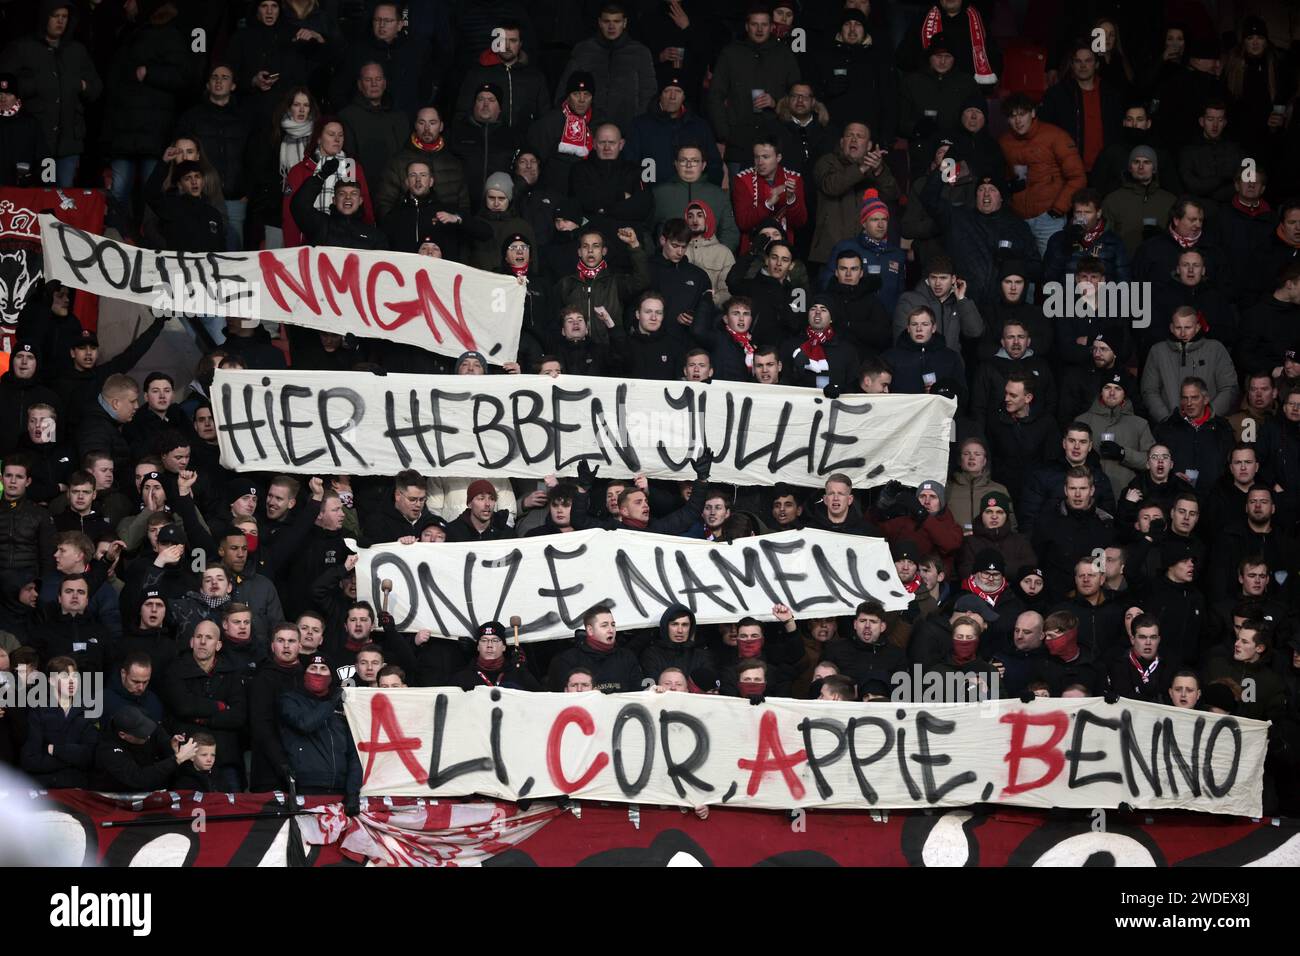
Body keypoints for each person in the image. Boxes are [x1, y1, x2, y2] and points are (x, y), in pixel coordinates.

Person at [0, 3, 101, 187]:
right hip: (35, 140)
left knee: (62, 198)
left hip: (69, 140)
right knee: (38, 197)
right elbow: (6, 84)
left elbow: (96, 89)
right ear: (45, 18)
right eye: (55, 16)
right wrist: (35, 85)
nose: (61, 21)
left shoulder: (77, 50)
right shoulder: (22, 48)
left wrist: (82, 85)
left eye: (64, 16)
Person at [706, 5, 799, 180]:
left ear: (772, 27)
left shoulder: (784, 54)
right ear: (747, 26)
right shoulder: (730, 53)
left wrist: (776, 102)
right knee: (741, 202)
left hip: (775, 139)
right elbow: (715, 95)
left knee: (774, 202)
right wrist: (724, 133)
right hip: (739, 141)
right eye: (755, 24)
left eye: (764, 25)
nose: (759, 29)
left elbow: (798, 96)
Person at [162, 619, 247, 790]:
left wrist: (203, 720)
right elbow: (183, 707)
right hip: (187, 761)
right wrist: (220, 707)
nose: (202, 642)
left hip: (225, 759)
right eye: (198, 637)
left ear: (218, 645)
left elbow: (238, 716)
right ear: (191, 642)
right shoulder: (175, 670)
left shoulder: (232, 673)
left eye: (208, 638)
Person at [809, 121, 899, 269]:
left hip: (866, 251)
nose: (854, 139)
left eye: (860, 136)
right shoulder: (827, 162)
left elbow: (892, 195)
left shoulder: (876, 167)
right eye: (849, 135)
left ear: (869, 146)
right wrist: (862, 168)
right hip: (829, 251)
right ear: (842, 142)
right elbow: (832, 186)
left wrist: (879, 171)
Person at [555, 3, 655, 131]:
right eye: (607, 21)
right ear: (600, 22)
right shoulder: (584, 50)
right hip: (586, 127)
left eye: (616, 21)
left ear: (624, 23)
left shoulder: (640, 52)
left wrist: (638, 124)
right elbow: (565, 89)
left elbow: (648, 92)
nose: (611, 26)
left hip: (628, 127)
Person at [278, 654, 361, 803]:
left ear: (331, 676)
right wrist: (331, 703)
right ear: (304, 674)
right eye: (313, 668)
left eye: (323, 669)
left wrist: (353, 791)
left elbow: (353, 751)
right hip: (308, 786)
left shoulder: (344, 706)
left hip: (340, 788)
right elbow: (305, 724)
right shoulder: (290, 700)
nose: (317, 672)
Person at [1141, 307, 1237, 422]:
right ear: (1171, 328)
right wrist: (1166, 419)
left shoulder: (1215, 349)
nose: (1182, 333)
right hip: (1170, 428)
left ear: (1197, 327)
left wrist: (1209, 415)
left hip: (1209, 427)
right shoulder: (1158, 351)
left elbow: (1229, 387)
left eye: (1187, 328)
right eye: (1178, 328)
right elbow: (1149, 391)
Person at [453, 19, 549, 131]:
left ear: (520, 44)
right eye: (502, 40)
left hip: (525, 144)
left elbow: (545, 118)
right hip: (487, 143)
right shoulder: (477, 74)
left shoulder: (535, 77)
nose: (507, 46)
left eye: (513, 40)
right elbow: (461, 114)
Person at [19, 657, 97, 788]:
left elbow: (91, 757)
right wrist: (72, 758)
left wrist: (55, 750)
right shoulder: (38, 711)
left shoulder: (88, 709)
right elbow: (30, 760)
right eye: (65, 677)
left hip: (79, 787)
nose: (72, 681)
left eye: (75, 676)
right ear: (51, 681)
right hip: (47, 787)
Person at [546, 604, 643, 692]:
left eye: (613, 625)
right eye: (604, 625)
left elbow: (639, 692)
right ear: (590, 630)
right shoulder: (566, 661)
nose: (611, 630)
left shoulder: (626, 657)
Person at [452, 621, 540, 690]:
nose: (489, 645)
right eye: (484, 640)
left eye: (495, 640)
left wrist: (523, 672)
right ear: (478, 647)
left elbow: (541, 700)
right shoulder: (462, 678)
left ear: (504, 647)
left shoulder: (517, 675)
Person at [1107, 613, 1171, 703]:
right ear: (1132, 639)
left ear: (1159, 639)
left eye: (1153, 637)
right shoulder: (1118, 666)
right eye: (1142, 637)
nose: (1148, 642)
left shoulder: (1170, 666)